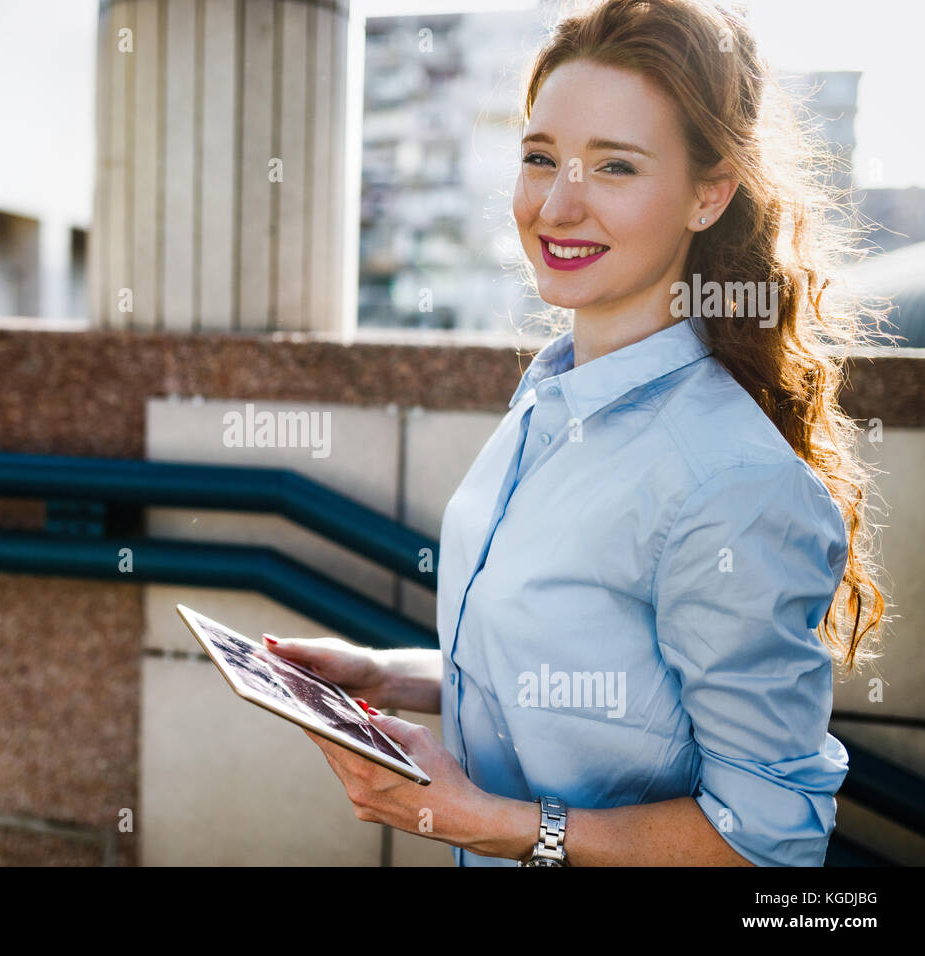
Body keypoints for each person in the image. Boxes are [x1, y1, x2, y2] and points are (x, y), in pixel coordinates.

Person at [264, 0, 889, 866]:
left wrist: (489, 820)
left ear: (709, 194)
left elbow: (771, 847)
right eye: (539, 158)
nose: (558, 204)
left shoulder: (731, 481)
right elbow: (594, 679)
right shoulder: (554, 397)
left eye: (616, 167)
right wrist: (396, 676)